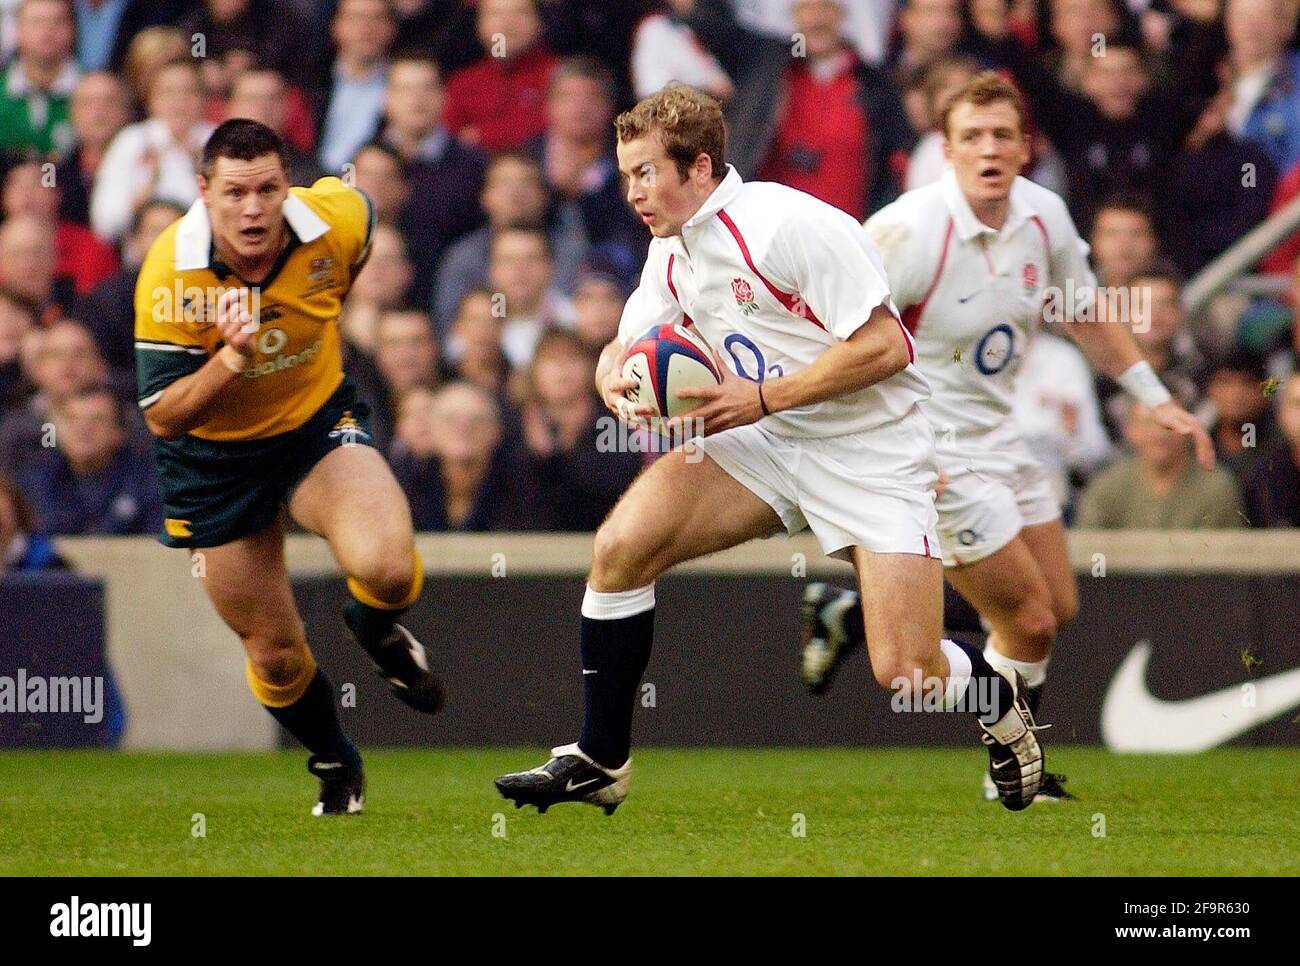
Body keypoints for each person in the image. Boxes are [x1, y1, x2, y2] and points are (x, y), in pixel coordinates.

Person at [495, 84, 1049, 816]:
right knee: (621, 548)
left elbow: (887, 346)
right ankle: (601, 759)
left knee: (905, 669)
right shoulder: (671, 247)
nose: (633, 191)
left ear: (698, 168)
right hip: (766, 439)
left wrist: (759, 399)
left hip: (869, 451)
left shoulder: (791, 226)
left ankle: (1000, 703)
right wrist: (612, 379)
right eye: (627, 174)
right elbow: (626, 343)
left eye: (646, 173)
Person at [793, 72, 1213, 803]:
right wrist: (871, 452)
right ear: (946, 150)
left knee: (1055, 609)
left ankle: (855, 611)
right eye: (971, 137)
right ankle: (1013, 774)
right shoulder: (906, 233)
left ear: (1026, 147)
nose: (988, 149)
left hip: (1001, 435)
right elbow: (827, 335)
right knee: (1029, 617)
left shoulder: (1044, 216)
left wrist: (1154, 395)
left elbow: (1083, 311)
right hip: (929, 453)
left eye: (1001, 135)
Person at [133, 119, 443, 816]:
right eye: (235, 192)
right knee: (273, 652)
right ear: (204, 192)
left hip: (313, 424)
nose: (253, 209)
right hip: (212, 459)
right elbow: (163, 415)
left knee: (388, 568)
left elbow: (356, 246)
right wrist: (234, 360)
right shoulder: (171, 274)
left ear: (286, 187)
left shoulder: (337, 220)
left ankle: (374, 629)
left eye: (268, 189)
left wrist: (319, 315)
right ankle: (336, 760)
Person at [17, 387, 161, 535]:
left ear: (118, 432)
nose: (83, 428)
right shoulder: (34, 479)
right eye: (71, 419)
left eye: (97, 420)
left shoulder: (148, 481)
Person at [1077, 401, 1244, 529]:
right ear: (1130, 430)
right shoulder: (1107, 485)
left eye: (1169, 426)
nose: (1159, 434)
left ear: (1189, 427)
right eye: (1148, 423)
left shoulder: (1217, 487)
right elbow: (1089, 548)